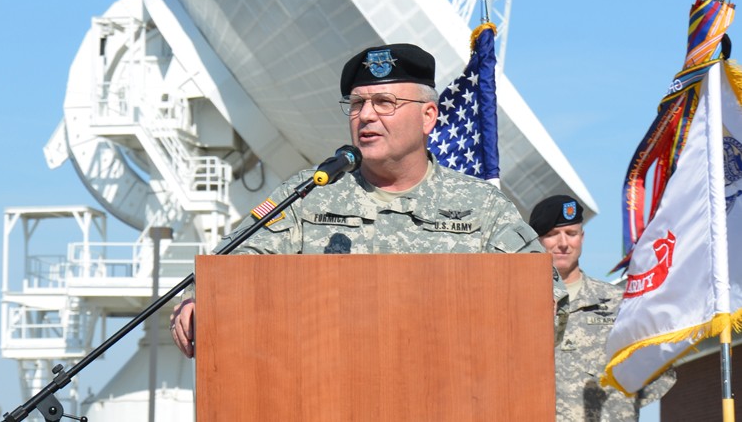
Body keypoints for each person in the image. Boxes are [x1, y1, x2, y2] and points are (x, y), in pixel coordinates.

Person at [171, 43, 566, 357]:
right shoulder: (310, 194)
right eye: (357, 104)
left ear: (428, 117)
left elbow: (546, 299)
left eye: (385, 103)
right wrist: (198, 300)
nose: (366, 116)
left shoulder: (482, 208)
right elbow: (229, 266)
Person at [529, 195, 676, 421]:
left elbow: (662, 370)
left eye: (571, 233)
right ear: (536, 241)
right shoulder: (518, 306)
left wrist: (617, 407)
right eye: (551, 235)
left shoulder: (620, 304)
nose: (563, 243)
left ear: (582, 237)